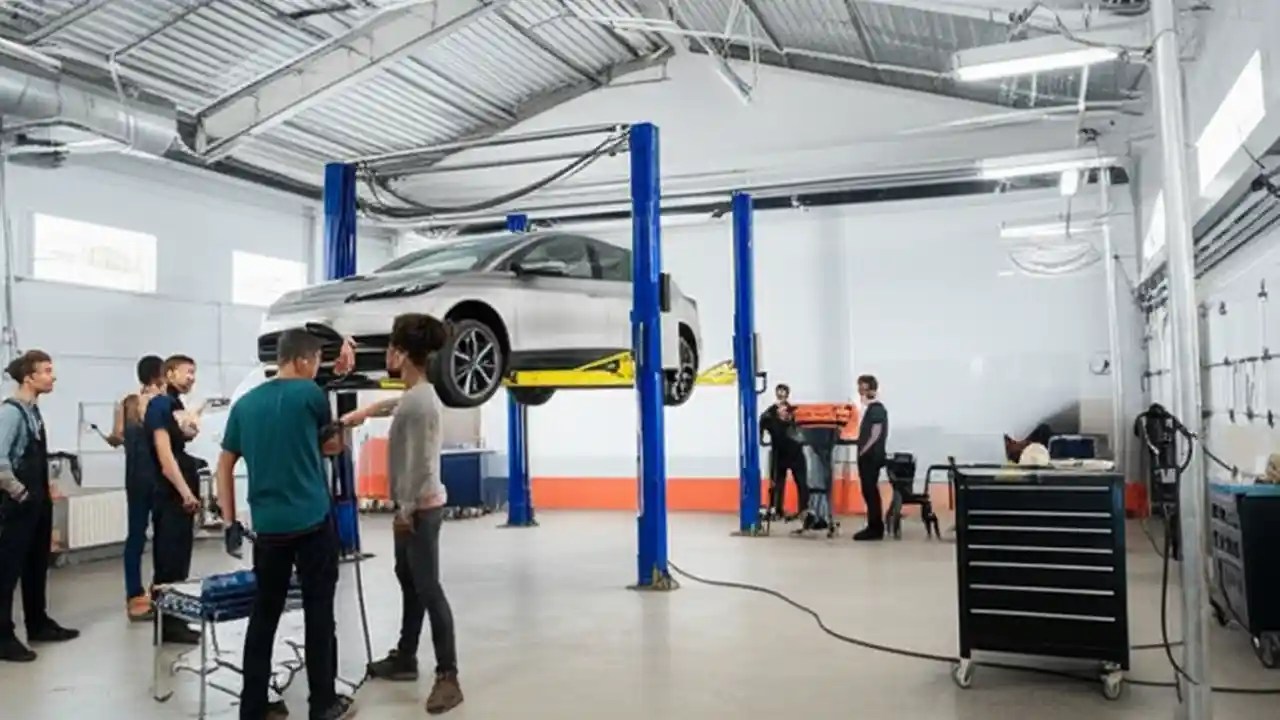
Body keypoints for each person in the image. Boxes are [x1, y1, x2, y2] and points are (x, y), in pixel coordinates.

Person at [216, 328, 356, 720]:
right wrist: (345, 423)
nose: (315, 371)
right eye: (315, 363)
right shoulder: (311, 394)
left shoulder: (245, 404)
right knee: (318, 611)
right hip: (312, 522)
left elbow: (224, 465)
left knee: (264, 615)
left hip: (269, 529)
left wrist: (229, 520)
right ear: (302, 360)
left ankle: (253, 707)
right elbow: (329, 445)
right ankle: (323, 704)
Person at [344, 313, 464, 715]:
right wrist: (362, 414)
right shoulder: (418, 394)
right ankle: (406, 657)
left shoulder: (420, 403)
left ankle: (448, 676)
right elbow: (398, 402)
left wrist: (406, 511)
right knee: (409, 581)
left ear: (400, 352)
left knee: (428, 588)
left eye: (390, 349)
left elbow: (422, 464)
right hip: (413, 507)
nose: (387, 356)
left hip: (420, 510)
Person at [0, 350, 79, 663]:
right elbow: (0, 461)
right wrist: (20, 493)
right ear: (28, 377)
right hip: (18, 505)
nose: (52, 376)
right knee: (6, 572)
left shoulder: (33, 412)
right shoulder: (11, 413)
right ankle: (3, 636)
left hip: (38, 503)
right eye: (46, 371)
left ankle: (38, 623)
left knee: (36, 565)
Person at [146, 354, 203, 644]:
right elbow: (165, 455)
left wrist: (194, 419)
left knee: (179, 561)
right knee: (168, 561)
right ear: (169, 373)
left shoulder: (174, 405)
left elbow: (185, 435)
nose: (192, 377)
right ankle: (166, 625)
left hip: (178, 495)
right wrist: (185, 492)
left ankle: (174, 622)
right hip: (170, 495)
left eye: (194, 372)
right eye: (187, 372)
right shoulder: (159, 405)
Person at [104, 355, 165, 622]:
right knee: (164, 536)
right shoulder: (160, 403)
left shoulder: (126, 403)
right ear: (159, 375)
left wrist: (114, 439)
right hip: (158, 476)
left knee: (135, 537)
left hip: (134, 478)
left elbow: (116, 437)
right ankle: (160, 591)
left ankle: (134, 595)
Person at [759, 383, 807, 519]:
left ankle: (804, 510)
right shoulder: (770, 413)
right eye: (779, 391)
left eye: (783, 392)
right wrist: (762, 438)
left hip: (795, 453)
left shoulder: (794, 412)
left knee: (801, 482)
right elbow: (762, 422)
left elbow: (802, 429)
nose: (781, 394)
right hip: (779, 453)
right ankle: (776, 509)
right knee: (777, 482)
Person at [853, 374, 889, 542]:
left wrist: (863, 451)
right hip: (868, 456)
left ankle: (875, 527)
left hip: (870, 457)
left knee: (870, 491)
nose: (860, 392)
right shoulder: (870, 409)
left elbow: (875, 433)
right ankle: (874, 525)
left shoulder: (877, 409)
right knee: (868, 491)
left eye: (863, 388)